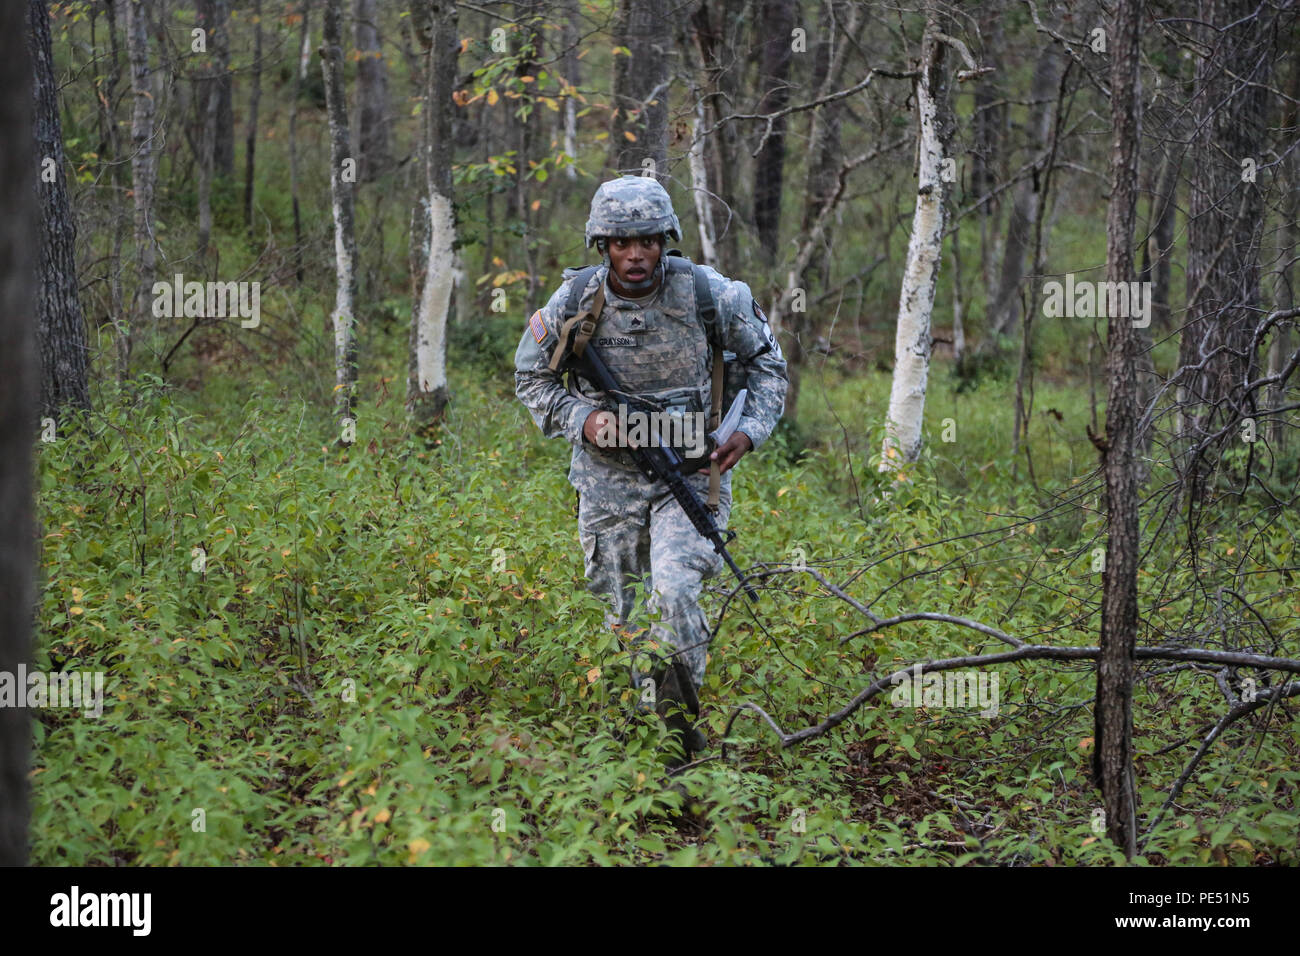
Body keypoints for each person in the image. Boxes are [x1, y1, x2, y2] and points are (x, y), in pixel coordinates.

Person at [514, 175, 787, 765]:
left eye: (646, 241)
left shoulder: (709, 294)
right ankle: (634, 738)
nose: (634, 255)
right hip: (607, 480)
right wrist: (582, 418)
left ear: (667, 240)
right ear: (601, 245)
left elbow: (769, 366)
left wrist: (747, 432)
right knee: (622, 612)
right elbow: (531, 377)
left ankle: (679, 742)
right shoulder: (574, 301)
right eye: (620, 243)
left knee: (676, 588)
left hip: (689, 475)